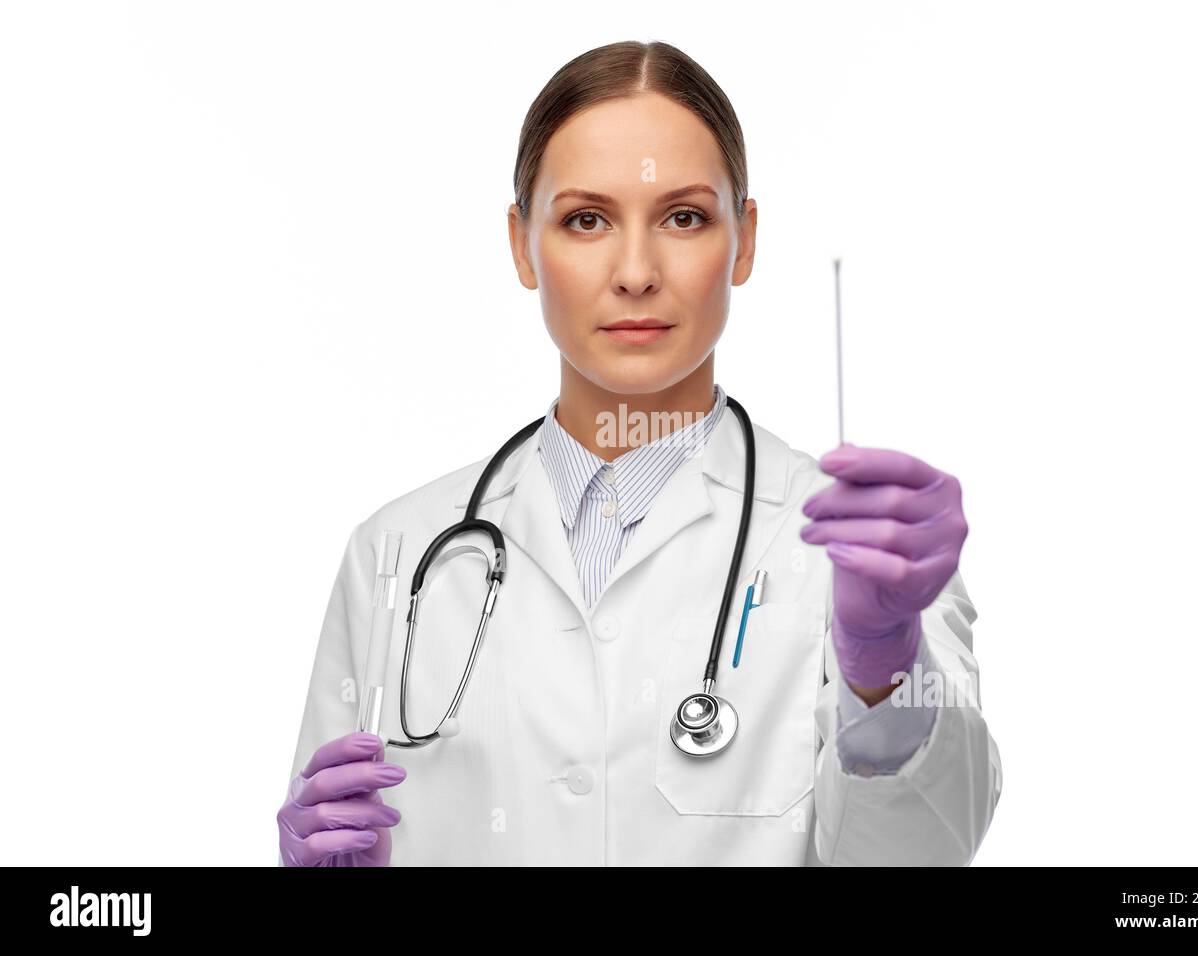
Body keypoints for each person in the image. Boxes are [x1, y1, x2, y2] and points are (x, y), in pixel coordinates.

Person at [277, 39, 1002, 867]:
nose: (634, 271)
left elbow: (921, 849)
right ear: (522, 244)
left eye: (684, 217)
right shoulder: (397, 556)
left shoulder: (863, 553)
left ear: (745, 239)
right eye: (586, 219)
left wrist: (885, 661)